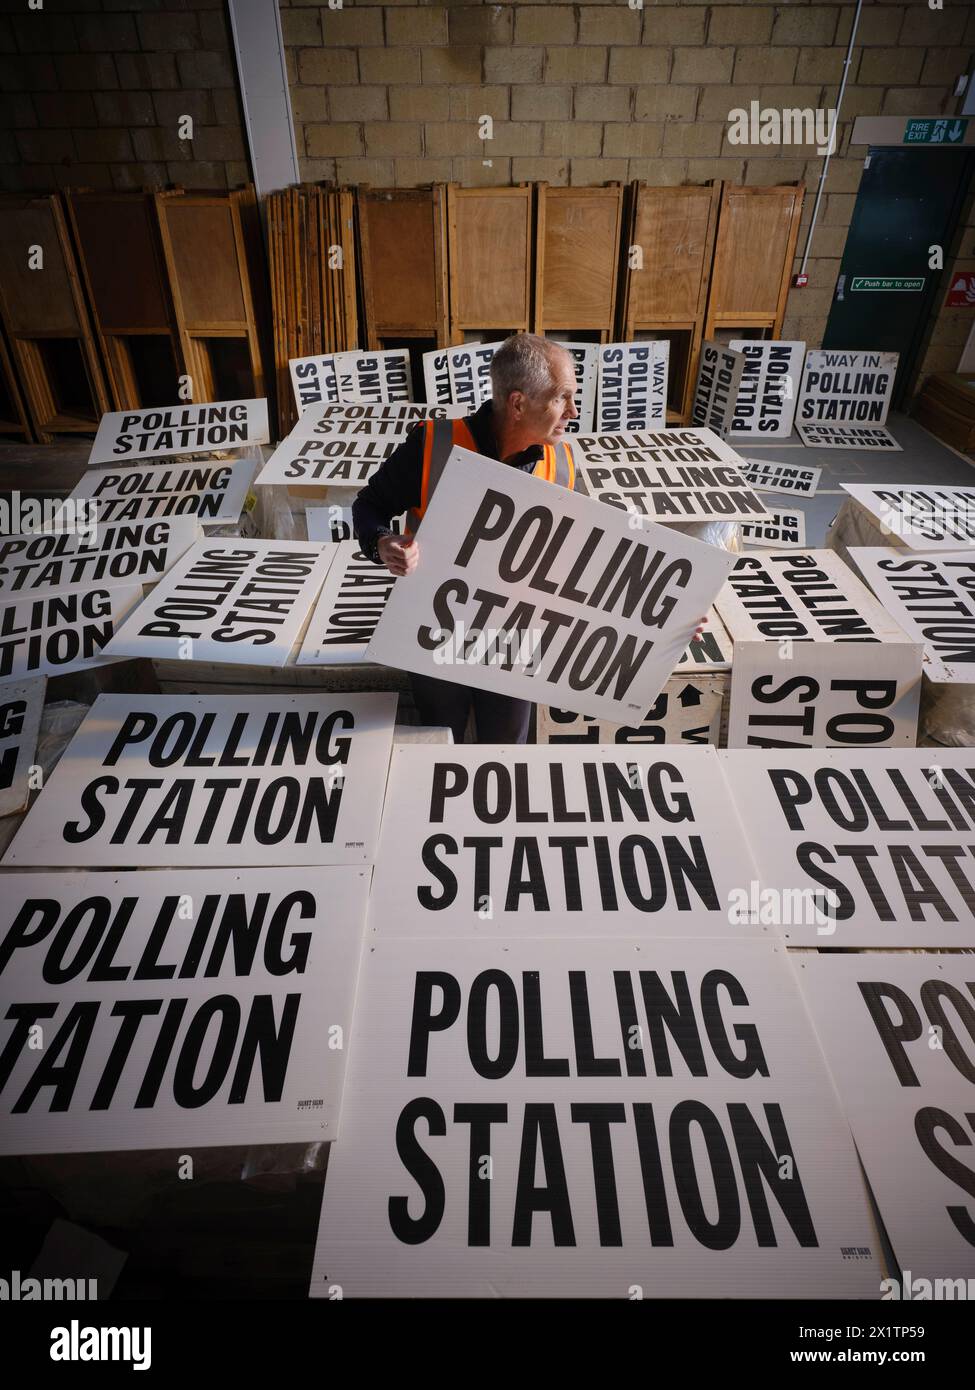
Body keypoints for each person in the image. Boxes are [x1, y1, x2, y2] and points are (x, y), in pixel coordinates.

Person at [352, 333, 703, 744]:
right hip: (436, 637)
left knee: (505, 755)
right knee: (439, 743)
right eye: (562, 398)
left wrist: (667, 613)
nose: (573, 411)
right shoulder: (432, 444)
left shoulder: (563, 462)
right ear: (518, 404)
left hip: (516, 644)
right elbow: (369, 505)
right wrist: (382, 543)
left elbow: (586, 563)